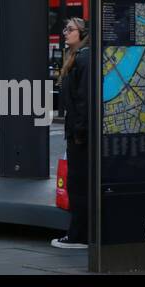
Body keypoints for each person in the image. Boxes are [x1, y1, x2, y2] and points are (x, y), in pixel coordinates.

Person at [52, 17, 90, 249]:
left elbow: (83, 100)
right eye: (65, 28)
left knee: (78, 184)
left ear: (82, 33)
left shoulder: (82, 60)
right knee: (78, 183)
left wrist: (79, 132)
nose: (65, 33)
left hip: (80, 136)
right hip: (78, 132)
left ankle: (79, 235)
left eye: (70, 29)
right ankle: (80, 233)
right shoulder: (77, 58)